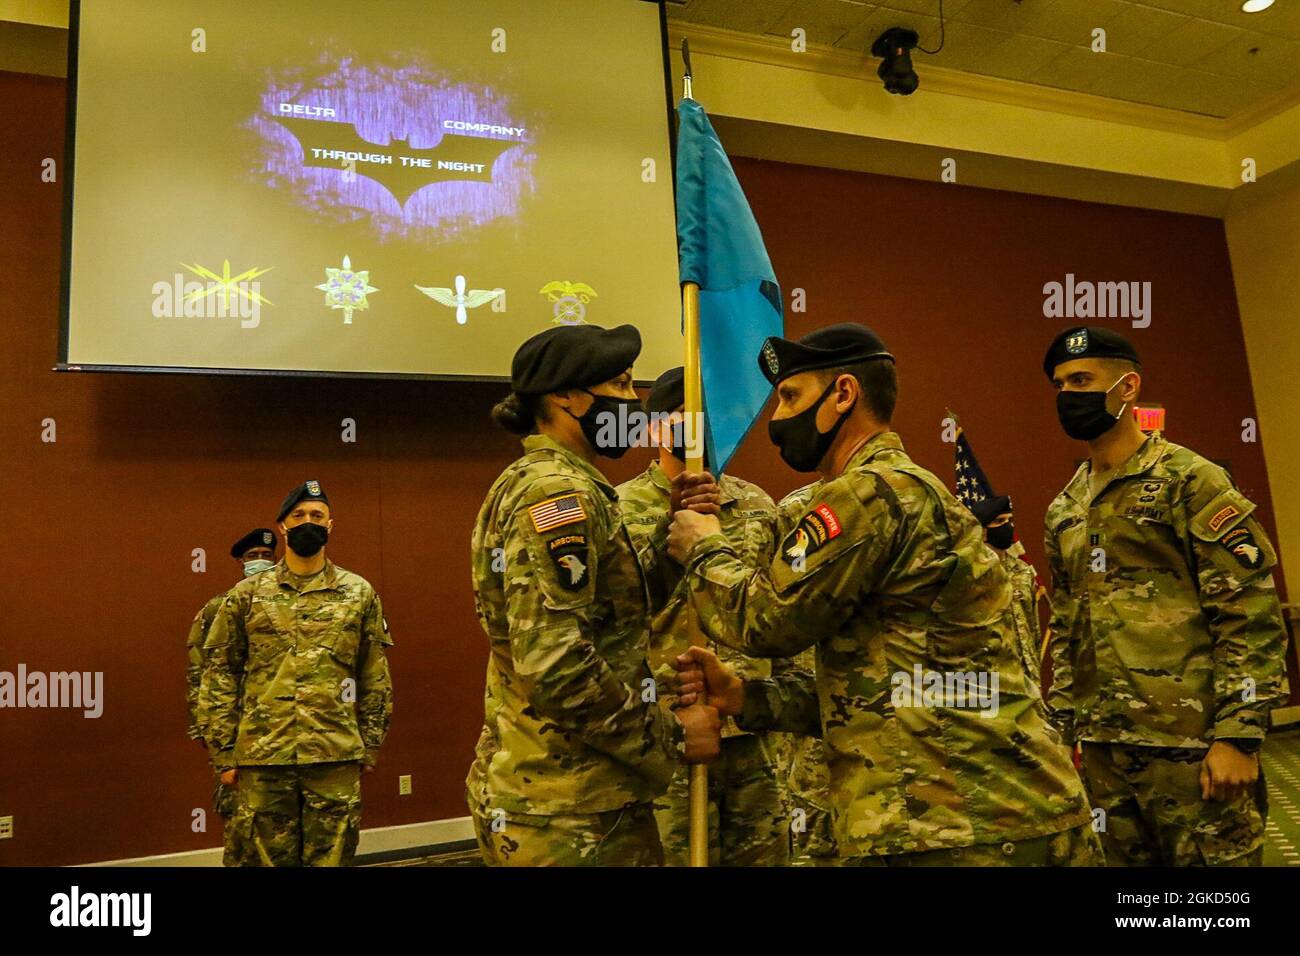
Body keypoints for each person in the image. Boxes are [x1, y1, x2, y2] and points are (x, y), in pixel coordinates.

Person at [669, 323, 1099, 866]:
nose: (777, 419)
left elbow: (764, 622)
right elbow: (880, 688)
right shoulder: (898, 488)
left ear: (844, 394)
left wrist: (703, 547)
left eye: (790, 397)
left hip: (956, 822)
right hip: (987, 813)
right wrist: (746, 698)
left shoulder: (871, 493)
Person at [466, 325, 721, 867]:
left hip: (563, 795)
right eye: (622, 385)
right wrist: (671, 736)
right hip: (572, 809)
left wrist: (671, 540)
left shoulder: (547, 480)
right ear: (564, 395)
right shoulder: (558, 492)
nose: (634, 403)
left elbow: (608, 616)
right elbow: (557, 665)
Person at [1042, 325, 1289, 866]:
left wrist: (1240, 735)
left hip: (1192, 746)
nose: (1068, 395)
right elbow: (1066, 629)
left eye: (1082, 380)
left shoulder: (1189, 480)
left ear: (1127, 388)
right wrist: (1062, 731)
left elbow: (1248, 611)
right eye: (1060, 384)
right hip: (1105, 751)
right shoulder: (1065, 508)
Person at [616, 366, 790, 866]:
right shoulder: (621, 509)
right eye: (688, 418)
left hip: (749, 732)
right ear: (655, 428)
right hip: (671, 733)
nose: (703, 431)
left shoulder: (757, 504)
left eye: (713, 418)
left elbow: (780, 611)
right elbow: (613, 626)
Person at [200, 480, 394, 867]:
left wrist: (369, 744)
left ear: (330, 525)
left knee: (332, 859)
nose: (309, 522)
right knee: (262, 860)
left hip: (333, 754)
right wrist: (223, 754)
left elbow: (373, 674)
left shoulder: (358, 593)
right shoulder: (247, 596)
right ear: (283, 526)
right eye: (299, 515)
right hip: (263, 756)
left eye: (317, 516)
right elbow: (221, 674)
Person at [186, 527, 277, 864]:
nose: (261, 562)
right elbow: (200, 670)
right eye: (253, 557)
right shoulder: (218, 609)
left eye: (267, 556)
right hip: (234, 731)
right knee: (241, 824)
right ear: (241, 562)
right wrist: (203, 728)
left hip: (278, 731)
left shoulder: (289, 610)